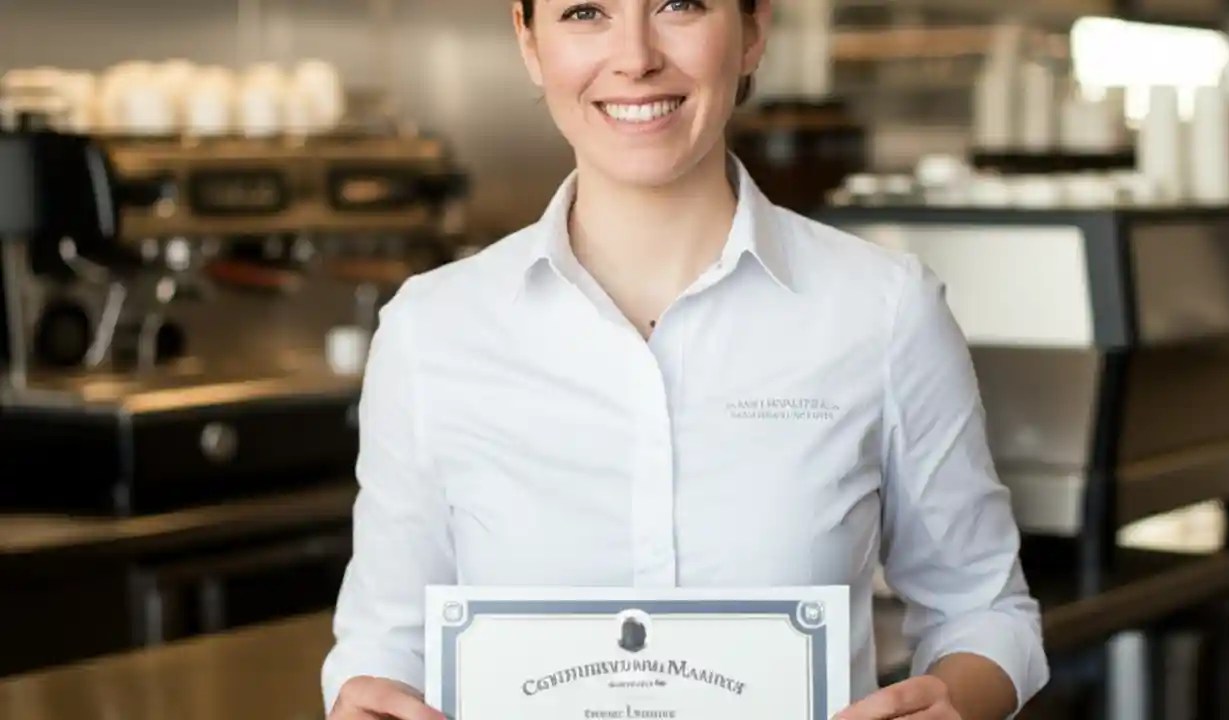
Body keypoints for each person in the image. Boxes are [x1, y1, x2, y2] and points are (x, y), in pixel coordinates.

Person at [321, 0, 1050, 718]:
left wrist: (955, 703)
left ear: (754, 29)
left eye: (681, 4)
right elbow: (385, 648)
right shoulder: (432, 330)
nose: (636, 57)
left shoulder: (885, 312)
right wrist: (368, 701)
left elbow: (984, 611)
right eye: (584, 12)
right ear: (529, 41)